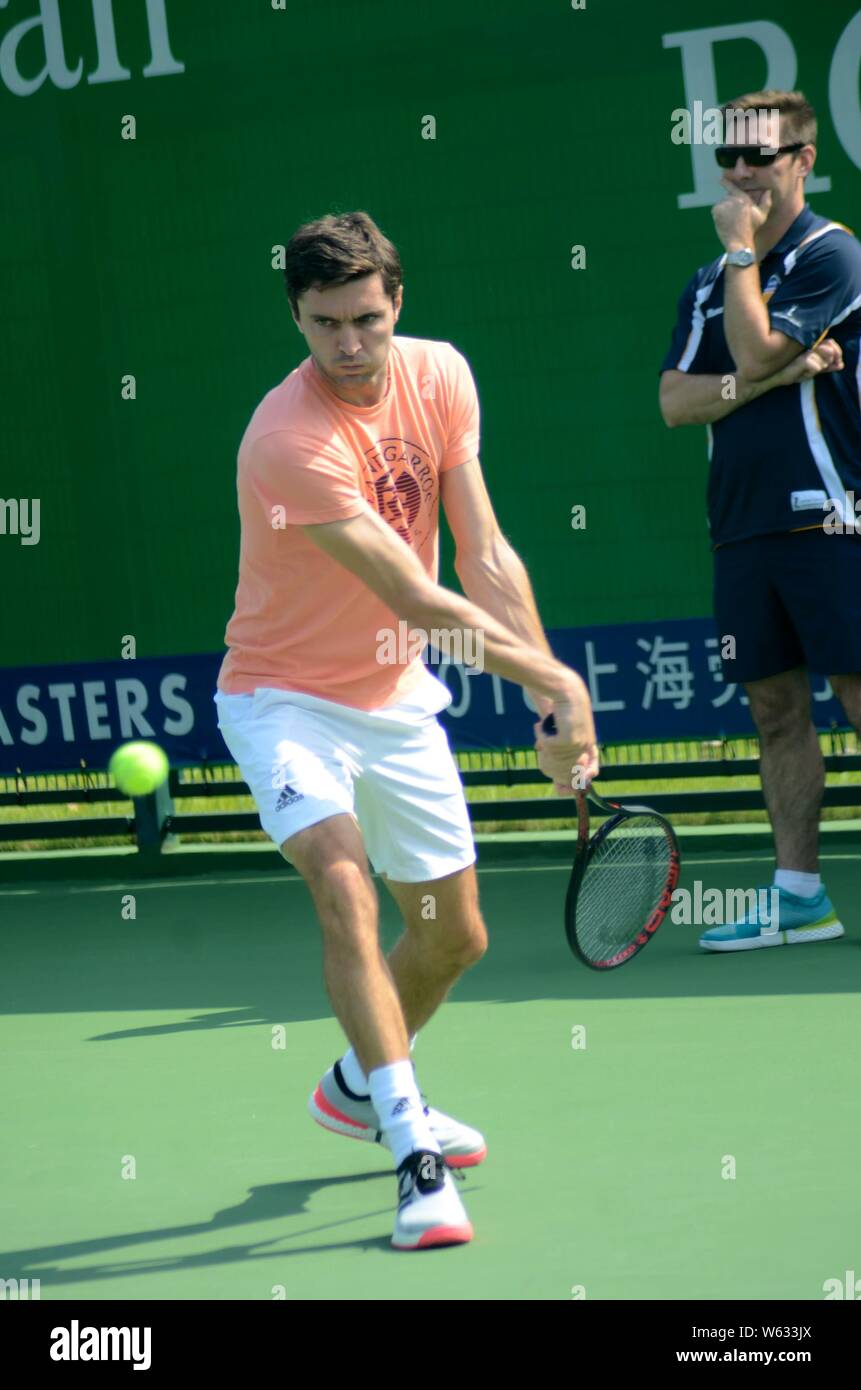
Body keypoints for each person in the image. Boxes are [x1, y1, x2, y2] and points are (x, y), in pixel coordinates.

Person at [215, 210, 598, 1248]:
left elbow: (483, 554)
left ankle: (352, 1084)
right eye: (326, 322)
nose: (349, 344)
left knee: (454, 937)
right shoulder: (284, 440)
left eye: (368, 319)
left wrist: (547, 699)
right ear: (296, 314)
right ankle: (412, 1153)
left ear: (398, 305)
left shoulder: (442, 378)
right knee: (343, 884)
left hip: (395, 698)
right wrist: (562, 678)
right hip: (283, 698)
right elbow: (420, 597)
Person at [659, 90, 861, 952]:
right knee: (776, 713)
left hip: (829, 517)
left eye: (760, 158)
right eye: (726, 159)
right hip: (739, 529)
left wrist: (741, 252)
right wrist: (780, 376)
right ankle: (799, 897)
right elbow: (675, 402)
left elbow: (738, 358)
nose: (739, 173)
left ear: (802, 162)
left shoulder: (833, 254)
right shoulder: (706, 283)